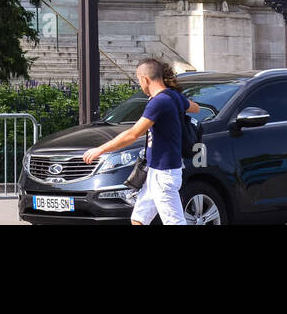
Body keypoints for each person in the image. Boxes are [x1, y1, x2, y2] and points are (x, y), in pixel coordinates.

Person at [79, 58, 200, 226]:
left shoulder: (159, 101)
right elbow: (195, 108)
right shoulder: (172, 96)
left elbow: (133, 134)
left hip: (164, 174)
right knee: (138, 220)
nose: (139, 84)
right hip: (156, 172)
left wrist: (100, 150)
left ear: (145, 79)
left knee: (175, 222)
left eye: (138, 80)